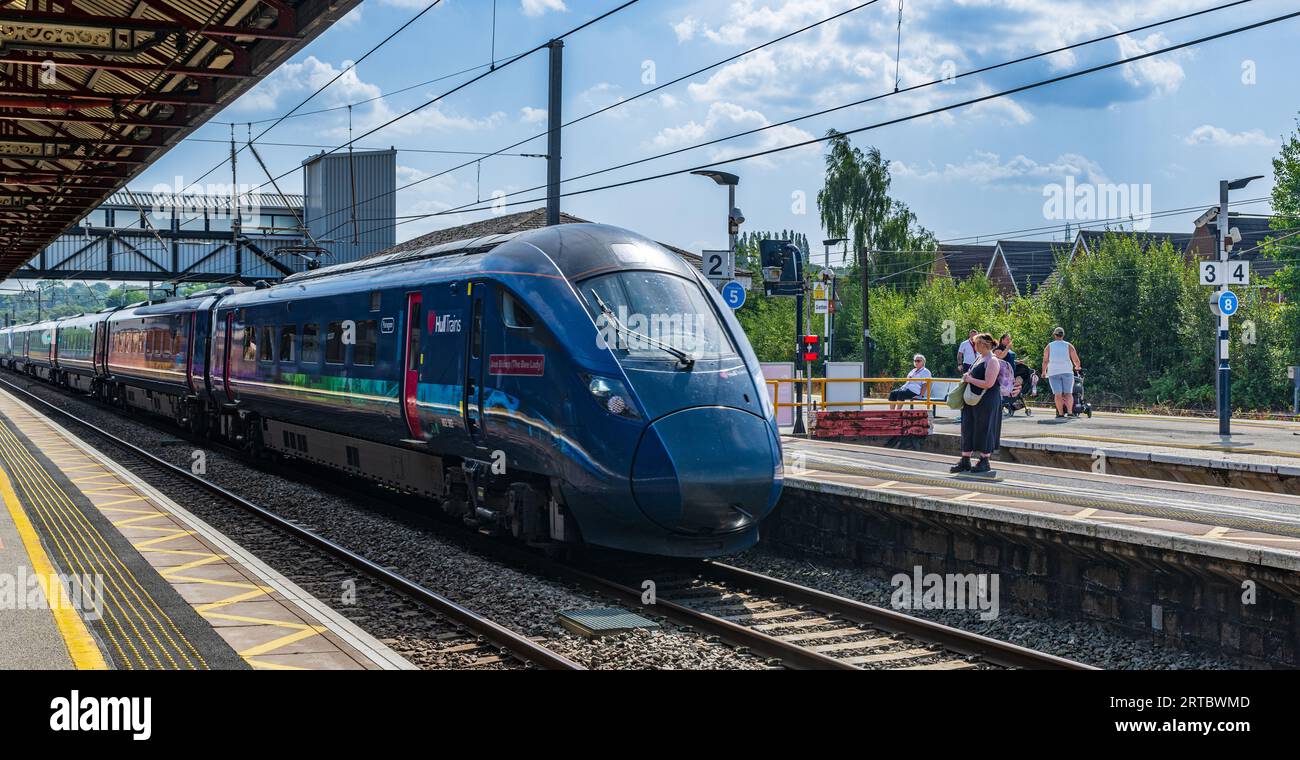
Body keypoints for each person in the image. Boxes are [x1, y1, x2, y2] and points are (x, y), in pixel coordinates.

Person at [952, 333, 1002, 474]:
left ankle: (984, 460)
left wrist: (970, 380)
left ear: (983, 344)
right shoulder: (979, 358)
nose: (974, 346)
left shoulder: (992, 361)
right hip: (972, 399)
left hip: (987, 400)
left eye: (976, 343)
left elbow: (988, 383)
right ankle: (965, 460)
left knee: (984, 427)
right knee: (967, 426)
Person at [1042, 327, 1082, 418]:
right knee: (1068, 393)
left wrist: (1044, 372)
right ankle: (1070, 412)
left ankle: (1060, 413)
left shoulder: (1049, 346)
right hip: (1067, 372)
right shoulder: (1068, 345)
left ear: (1054, 335)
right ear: (1063, 335)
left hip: (1053, 372)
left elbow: (1045, 361)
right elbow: (1076, 359)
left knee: (1058, 394)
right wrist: (1077, 366)